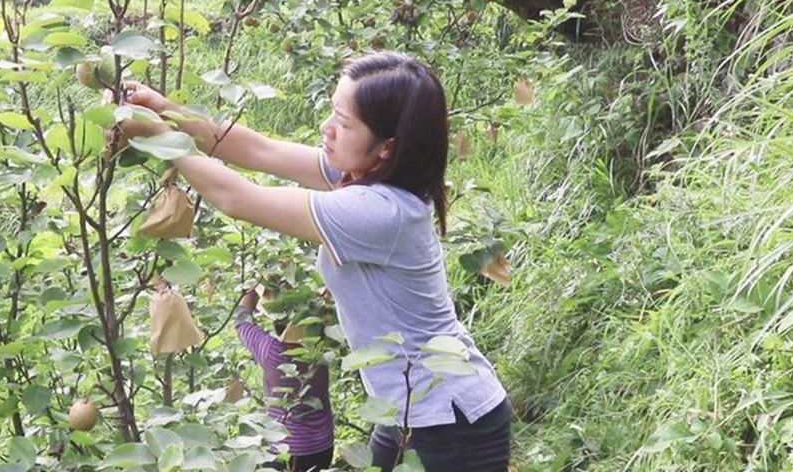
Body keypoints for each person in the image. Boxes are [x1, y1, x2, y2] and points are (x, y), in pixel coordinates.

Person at [120, 52, 512, 471]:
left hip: (451, 422)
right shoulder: (367, 172)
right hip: (408, 410)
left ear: (387, 147)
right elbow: (258, 150)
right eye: (333, 113)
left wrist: (163, 137)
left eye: (343, 124)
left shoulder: (381, 211)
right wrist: (166, 110)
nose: (328, 129)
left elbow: (238, 198)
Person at [234, 288, 334, 471]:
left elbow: (242, 320)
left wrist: (252, 288)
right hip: (321, 445)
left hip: (281, 448)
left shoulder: (271, 351)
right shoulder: (323, 347)